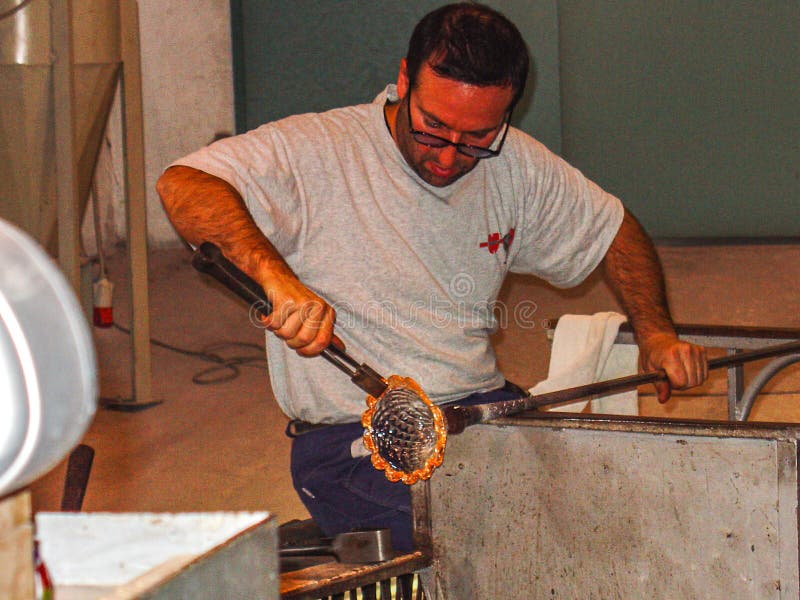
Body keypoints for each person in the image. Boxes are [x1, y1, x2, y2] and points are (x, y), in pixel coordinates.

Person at [157, 3, 708, 552]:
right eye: (433, 127)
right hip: (353, 441)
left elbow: (613, 229)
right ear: (403, 81)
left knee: (631, 510)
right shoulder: (320, 151)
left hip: (481, 413)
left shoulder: (515, 163)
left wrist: (656, 333)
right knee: (512, 547)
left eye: (476, 137)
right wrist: (274, 276)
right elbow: (184, 185)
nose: (448, 155)